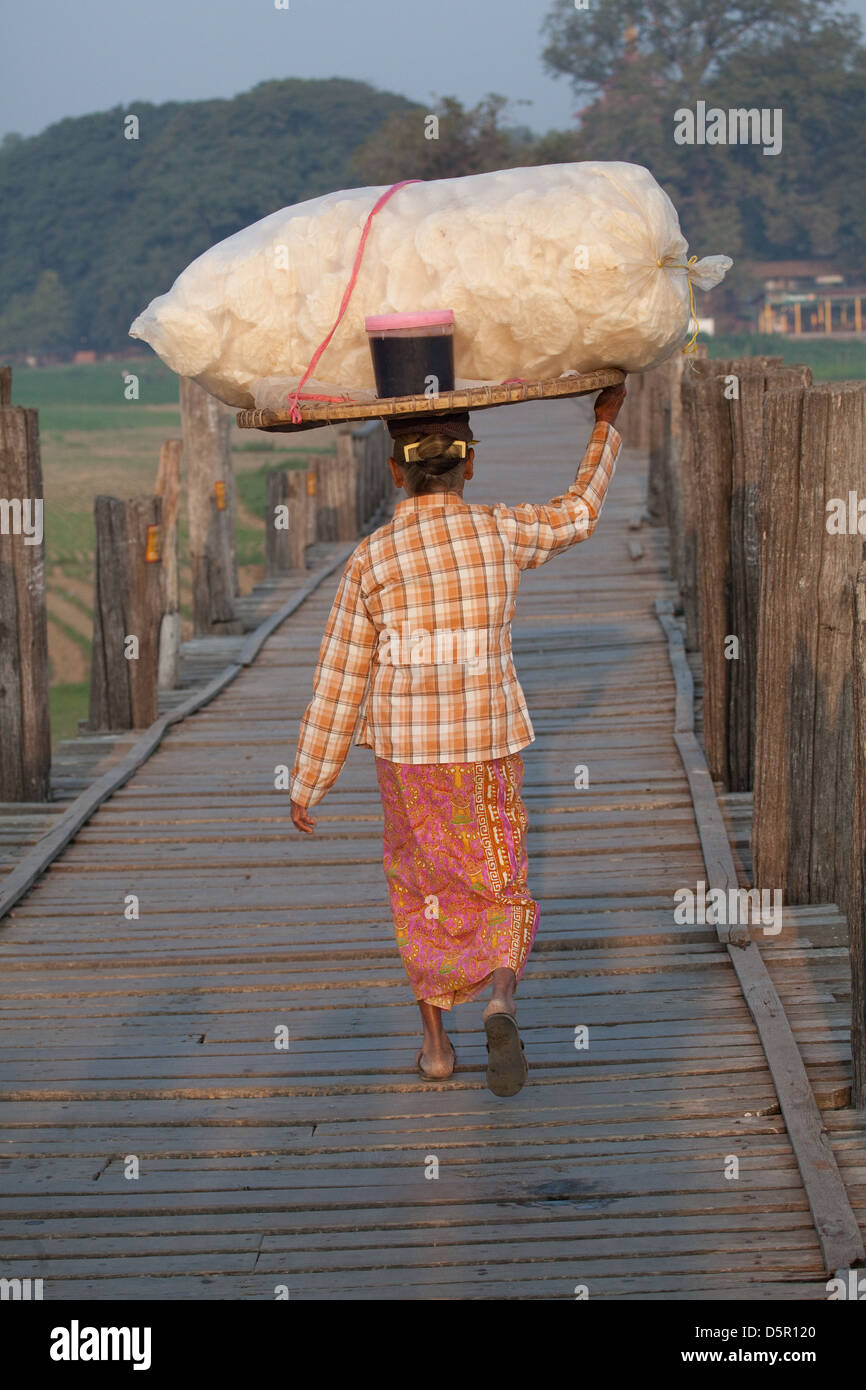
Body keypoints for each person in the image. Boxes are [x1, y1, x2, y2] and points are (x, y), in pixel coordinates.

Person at [289, 381, 626, 1096]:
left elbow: (340, 677)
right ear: (470, 464)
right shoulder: (499, 531)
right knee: (500, 880)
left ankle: (437, 1047)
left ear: (395, 471)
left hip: (407, 757)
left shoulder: (372, 558)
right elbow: (580, 513)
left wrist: (309, 779)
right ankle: (500, 996)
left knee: (420, 887)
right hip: (486, 748)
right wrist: (604, 422)